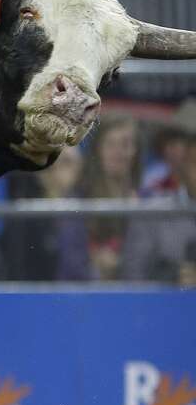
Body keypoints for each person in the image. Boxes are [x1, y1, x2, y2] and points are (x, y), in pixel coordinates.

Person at [123, 99, 196, 283]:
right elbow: (133, 278)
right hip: (164, 305)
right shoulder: (151, 205)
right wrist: (172, 277)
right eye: (170, 142)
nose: (171, 149)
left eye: (179, 141)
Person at [1, 144, 90, 280]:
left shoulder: (89, 207)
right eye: (53, 162)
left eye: (67, 162)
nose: (57, 169)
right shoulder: (26, 213)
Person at [72, 112, 143, 282]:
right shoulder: (78, 199)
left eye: (125, 144)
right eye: (110, 144)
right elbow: (73, 261)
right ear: (99, 150)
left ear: (136, 151)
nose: (118, 152)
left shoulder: (149, 201)